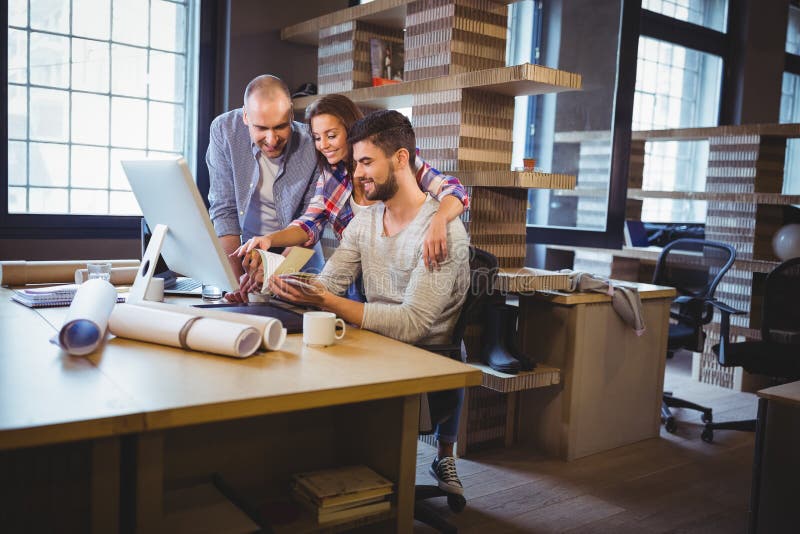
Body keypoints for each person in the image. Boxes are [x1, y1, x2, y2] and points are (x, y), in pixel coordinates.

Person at [269, 110, 470, 495]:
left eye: (365, 162)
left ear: (399, 159)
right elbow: (330, 282)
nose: (357, 174)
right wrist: (282, 285)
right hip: (375, 343)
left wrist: (327, 301)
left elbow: (412, 324)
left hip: (418, 357)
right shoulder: (365, 221)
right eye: (355, 162)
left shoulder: (444, 234)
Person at [228, 93, 469, 300]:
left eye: (331, 136)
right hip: (356, 278)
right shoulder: (330, 175)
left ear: (350, 130)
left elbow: (453, 190)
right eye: (317, 137)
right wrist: (270, 240)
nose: (324, 145)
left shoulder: (394, 162)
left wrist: (438, 219)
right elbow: (309, 224)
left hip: (399, 278)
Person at [206, 74, 323, 286]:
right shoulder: (224, 131)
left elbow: (311, 224)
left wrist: (274, 275)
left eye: (280, 126)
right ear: (245, 117)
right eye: (261, 128)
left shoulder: (312, 144)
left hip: (296, 257)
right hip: (241, 251)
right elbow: (224, 210)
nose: (271, 140)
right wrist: (236, 283)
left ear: (290, 114)